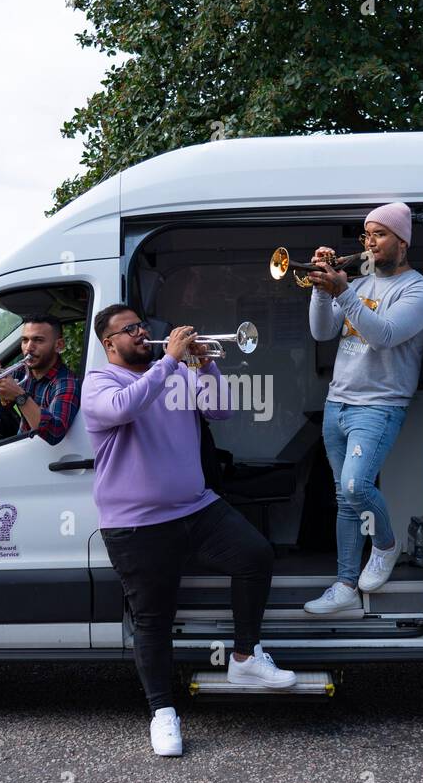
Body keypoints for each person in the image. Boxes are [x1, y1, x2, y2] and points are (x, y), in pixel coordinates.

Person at [82, 304, 295, 757]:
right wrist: (170, 361)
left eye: (142, 326)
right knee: (154, 621)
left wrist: (207, 364)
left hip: (195, 507)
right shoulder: (101, 383)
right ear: (109, 343)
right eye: (130, 330)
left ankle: (244, 658)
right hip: (135, 523)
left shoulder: (172, 373)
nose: (141, 333)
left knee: (255, 555)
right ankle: (162, 714)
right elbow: (125, 408)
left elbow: (220, 411)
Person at [303, 202, 423, 614]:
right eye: (367, 235)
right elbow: (321, 331)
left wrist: (341, 289)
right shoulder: (357, 287)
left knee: (357, 486)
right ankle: (345, 586)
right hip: (337, 403)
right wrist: (320, 290)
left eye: (379, 234)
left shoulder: (418, 290)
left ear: (402, 240)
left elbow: (385, 335)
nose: (370, 243)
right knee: (344, 497)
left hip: (378, 406)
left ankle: (386, 544)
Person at [0, 314, 80, 445]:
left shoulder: (67, 382)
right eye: (25, 340)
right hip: (23, 450)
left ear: (59, 345)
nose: (29, 348)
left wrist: (19, 395)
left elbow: (55, 432)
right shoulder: (21, 372)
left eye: (38, 340)